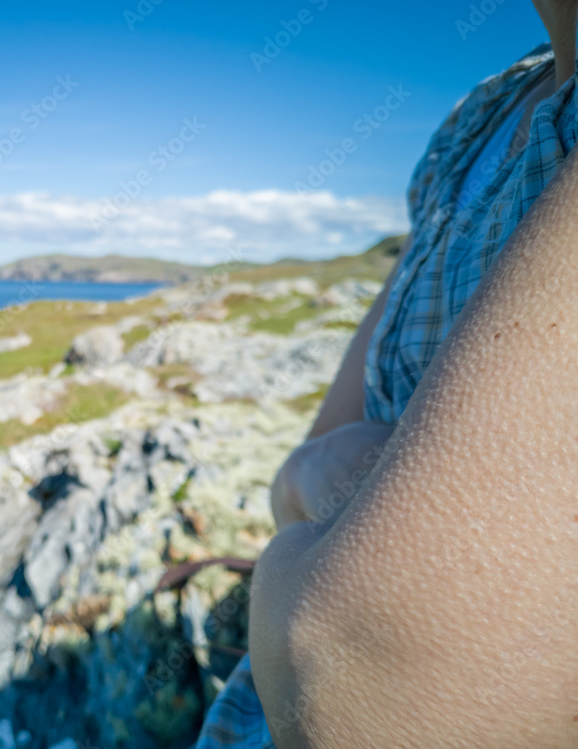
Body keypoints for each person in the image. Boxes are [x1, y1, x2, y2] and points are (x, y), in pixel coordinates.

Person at [196, 1, 578, 746]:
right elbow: (302, 469)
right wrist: (326, 488)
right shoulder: (481, 121)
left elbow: (364, 682)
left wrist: (341, 497)